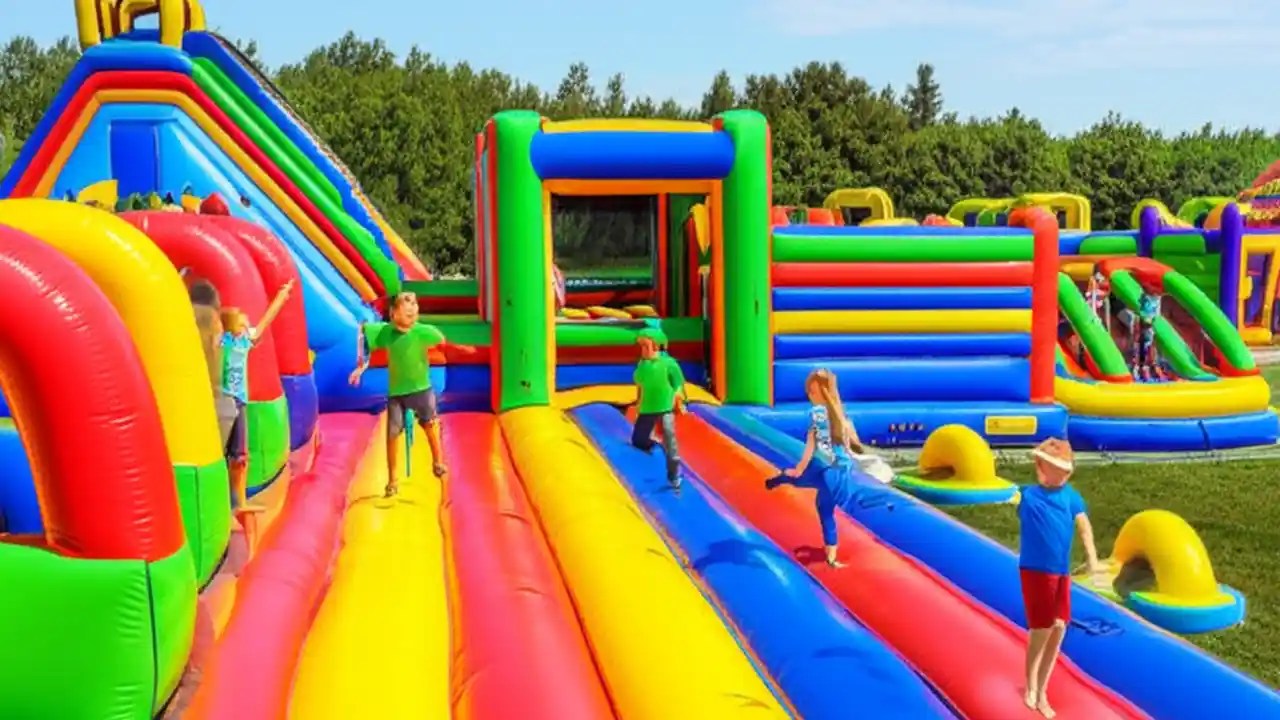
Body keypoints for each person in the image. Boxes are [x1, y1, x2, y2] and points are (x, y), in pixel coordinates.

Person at [1007, 438, 1104, 719]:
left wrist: (1093, 558)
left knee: (1059, 627)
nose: (1062, 474)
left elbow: (1084, 527)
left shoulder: (1071, 497)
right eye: (1054, 467)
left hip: (1060, 573)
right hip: (1036, 571)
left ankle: (1043, 689)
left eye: (1064, 469)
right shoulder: (1028, 496)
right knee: (1042, 628)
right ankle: (1031, 686)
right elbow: (1005, 495)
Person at [349, 292, 450, 496]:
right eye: (406, 308)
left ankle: (438, 461)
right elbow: (363, 331)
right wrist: (361, 366)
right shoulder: (386, 332)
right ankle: (393, 479)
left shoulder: (424, 332)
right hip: (397, 394)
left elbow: (442, 340)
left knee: (430, 424)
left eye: (414, 307)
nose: (412, 310)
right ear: (393, 313)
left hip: (422, 389)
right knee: (392, 434)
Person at [764, 368, 863, 568]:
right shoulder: (841, 414)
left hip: (824, 469)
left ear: (820, 392)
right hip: (840, 471)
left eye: (811, 391)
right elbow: (852, 444)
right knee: (825, 509)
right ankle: (831, 557)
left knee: (800, 483)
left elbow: (813, 444)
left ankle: (779, 479)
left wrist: (799, 469)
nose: (809, 395)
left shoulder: (818, 413)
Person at [221, 279, 295, 511]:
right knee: (226, 453)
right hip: (224, 400)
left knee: (240, 455)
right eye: (242, 319)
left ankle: (240, 502)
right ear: (232, 324)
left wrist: (282, 296)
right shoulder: (223, 342)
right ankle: (228, 501)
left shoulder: (244, 341)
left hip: (239, 401)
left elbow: (266, 320)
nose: (247, 322)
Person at [632, 326, 687, 489]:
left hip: (665, 407)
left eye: (646, 346)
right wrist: (638, 404)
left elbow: (678, 383)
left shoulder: (669, 363)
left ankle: (674, 474)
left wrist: (679, 400)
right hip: (648, 407)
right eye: (641, 346)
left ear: (657, 346)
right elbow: (640, 385)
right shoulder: (643, 365)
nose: (643, 350)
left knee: (669, 437)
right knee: (638, 440)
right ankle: (653, 443)